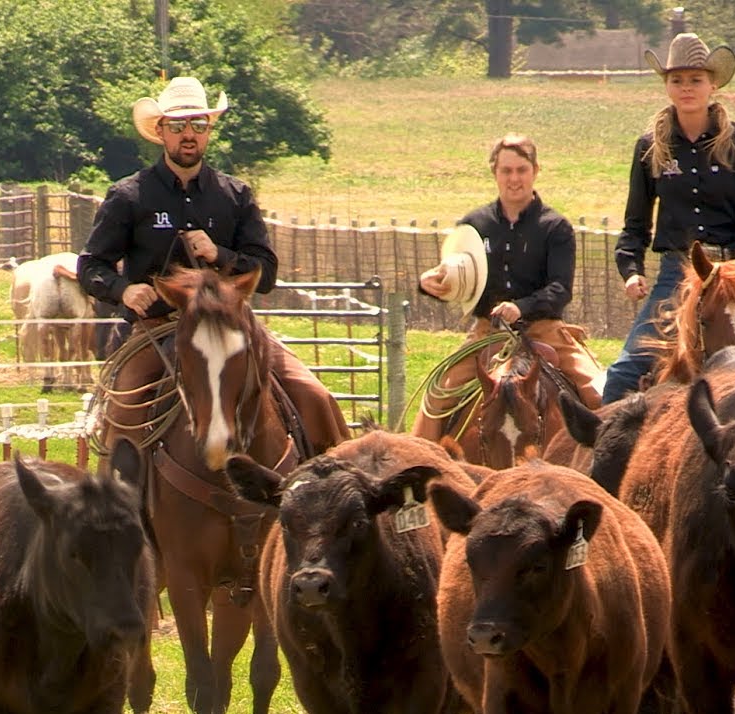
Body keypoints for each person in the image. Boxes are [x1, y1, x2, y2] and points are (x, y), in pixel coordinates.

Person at [78, 76, 350, 454]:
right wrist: (123, 289)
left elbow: (265, 272)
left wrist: (219, 254)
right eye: (177, 126)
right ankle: (119, 508)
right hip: (157, 329)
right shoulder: (129, 196)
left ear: (209, 131)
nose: (188, 134)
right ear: (161, 132)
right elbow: (92, 266)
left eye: (198, 125)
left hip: (233, 328)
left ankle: (334, 491)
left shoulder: (235, 195)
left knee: (315, 396)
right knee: (122, 418)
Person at [601, 32, 735, 403]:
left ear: (712, 85)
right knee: (624, 372)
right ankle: (599, 456)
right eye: (677, 80)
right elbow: (635, 223)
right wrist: (631, 270)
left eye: (695, 80)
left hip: (731, 272)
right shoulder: (651, 147)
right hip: (675, 275)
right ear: (667, 86)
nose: (686, 88)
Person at [412, 133, 605, 442]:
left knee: (602, 392)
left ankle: (605, 478)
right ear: (495, 173)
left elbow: (560, 289)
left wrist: (521, 307)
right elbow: (456, 278)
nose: (514, 179)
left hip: (546, 332)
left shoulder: (555, 227)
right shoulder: (473, 225)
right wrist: (429, 284)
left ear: (535, 171)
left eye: (521, 170)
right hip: (487, 334)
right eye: (506, 171)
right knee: (437, 396)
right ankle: (422, 475)